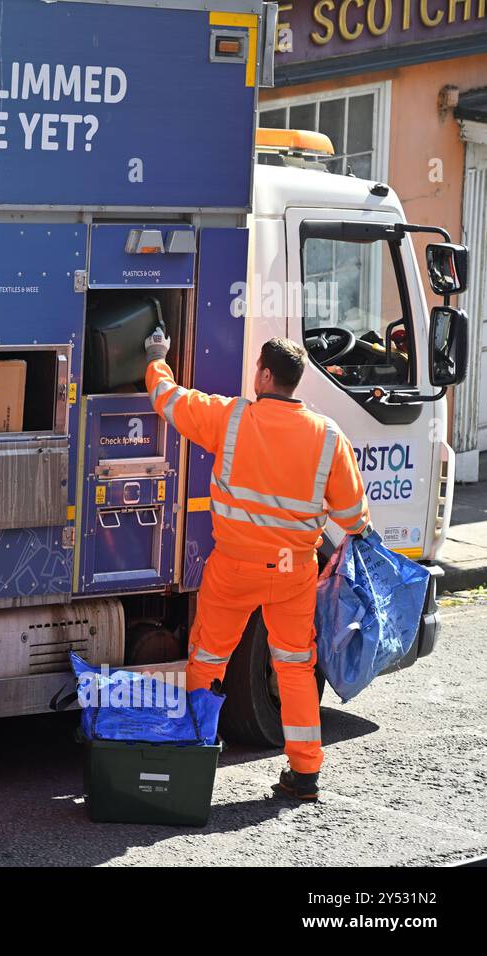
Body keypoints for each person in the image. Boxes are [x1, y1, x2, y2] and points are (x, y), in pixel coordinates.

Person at [144, 331, 371, 802]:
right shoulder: (329, 437)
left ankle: (196, 750)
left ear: (266, 375)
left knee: (208, 659)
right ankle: (305, 772)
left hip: (235, 568)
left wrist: (156, 358)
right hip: (294, 572)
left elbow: (169, 401)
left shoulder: (230, 420)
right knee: (294, 665)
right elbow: (353, 518)